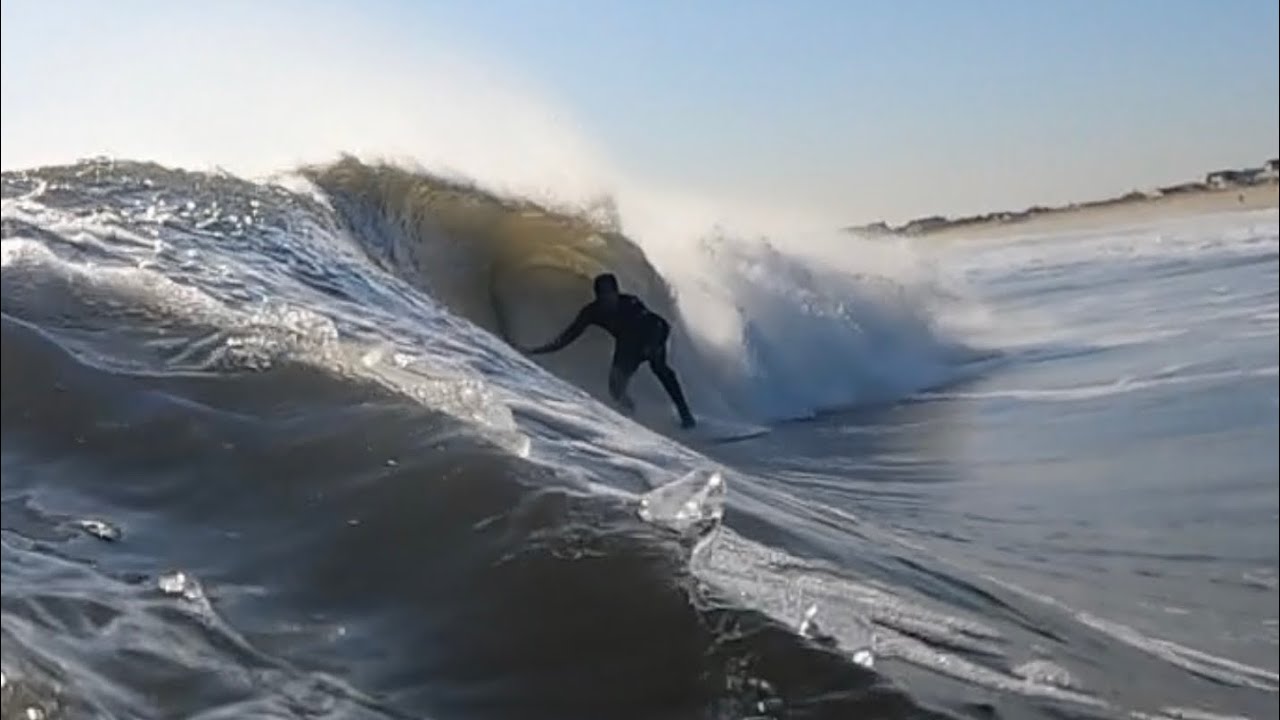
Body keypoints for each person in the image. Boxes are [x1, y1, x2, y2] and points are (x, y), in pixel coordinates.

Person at [524, 273, 697, 428]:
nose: (607, 300)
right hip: (627, 345)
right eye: (602, 297)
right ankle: (633, 416)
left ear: (616, 293)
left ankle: (686, 416)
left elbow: (655, 324)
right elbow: (568, 336)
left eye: (610, 295)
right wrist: (539, 351)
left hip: (653, 332)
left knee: (659, 367)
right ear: (597, 297)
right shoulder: (592, 312)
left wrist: (653, 346)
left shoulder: (630, 303)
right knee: (615, 388)